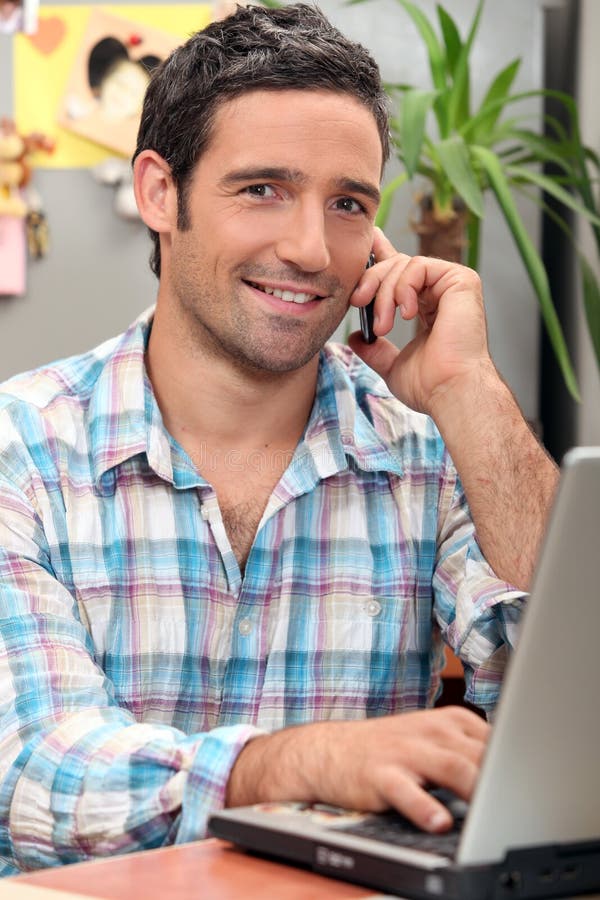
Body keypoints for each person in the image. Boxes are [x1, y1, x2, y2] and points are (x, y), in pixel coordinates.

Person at [0, 3, 558, 876]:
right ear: (158, 191)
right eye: (263, 188)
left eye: (347, 204)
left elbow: (570, 701)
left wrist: (468, 393)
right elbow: (34, 773)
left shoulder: (425, 452)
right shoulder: (21, 450)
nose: (311, 249)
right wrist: (296, 765)